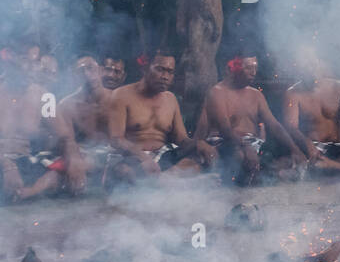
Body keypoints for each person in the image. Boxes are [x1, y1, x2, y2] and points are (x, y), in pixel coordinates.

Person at [195, 53, 312, 183]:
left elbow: (274, 125)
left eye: (255, 68)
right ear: (232, 69)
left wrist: (295, 149)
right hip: (227, 144)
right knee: (239, 157)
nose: (253, 73)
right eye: (248, 68)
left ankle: (267, 174)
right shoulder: (217, 92)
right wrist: (246, 147)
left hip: (253, 145)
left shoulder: (256, 95)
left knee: (290, 161)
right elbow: (225, 129)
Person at [107, 47, 216, 177]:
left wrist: (199, 144)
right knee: (125, 172)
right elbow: (116, 139)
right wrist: (143, 158)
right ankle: (169, 180)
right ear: (145, 68)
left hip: (164, 156)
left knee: (201, 158)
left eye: (170, 72)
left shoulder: (170, 99)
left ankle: (163, 179)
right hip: (134, 158)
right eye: (160, 69)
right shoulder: (121, 95)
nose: (165, 77)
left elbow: (181, 138)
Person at [0, 50, 87, 201]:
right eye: (25, 60)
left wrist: (74, 160)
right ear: (8, 59)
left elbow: (65, 137)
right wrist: (7, 165)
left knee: (67, 169)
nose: (31, 67)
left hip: (24, 163)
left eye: (35, 62)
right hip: (3, 162)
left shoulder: (44, 96)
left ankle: (25, 192)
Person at [282, 52, 340, 173]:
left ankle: (337, 167)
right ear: (298, 69)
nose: (310, 69)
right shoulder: (293, 94)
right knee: (308, 162)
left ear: (319, 64)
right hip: (317, 148)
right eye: (305, 66)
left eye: (313, 65)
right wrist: (308, 145)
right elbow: (291, 127)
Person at [59, 55, 117, 186]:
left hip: (114, 155)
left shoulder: (118, 99)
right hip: (85, 154)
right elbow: (68, 140)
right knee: (60, 169)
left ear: (101, 71)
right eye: (80, 71)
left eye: (90, 68)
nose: (86, 74)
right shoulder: (66, 105)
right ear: (75, 76)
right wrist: (74, 160)